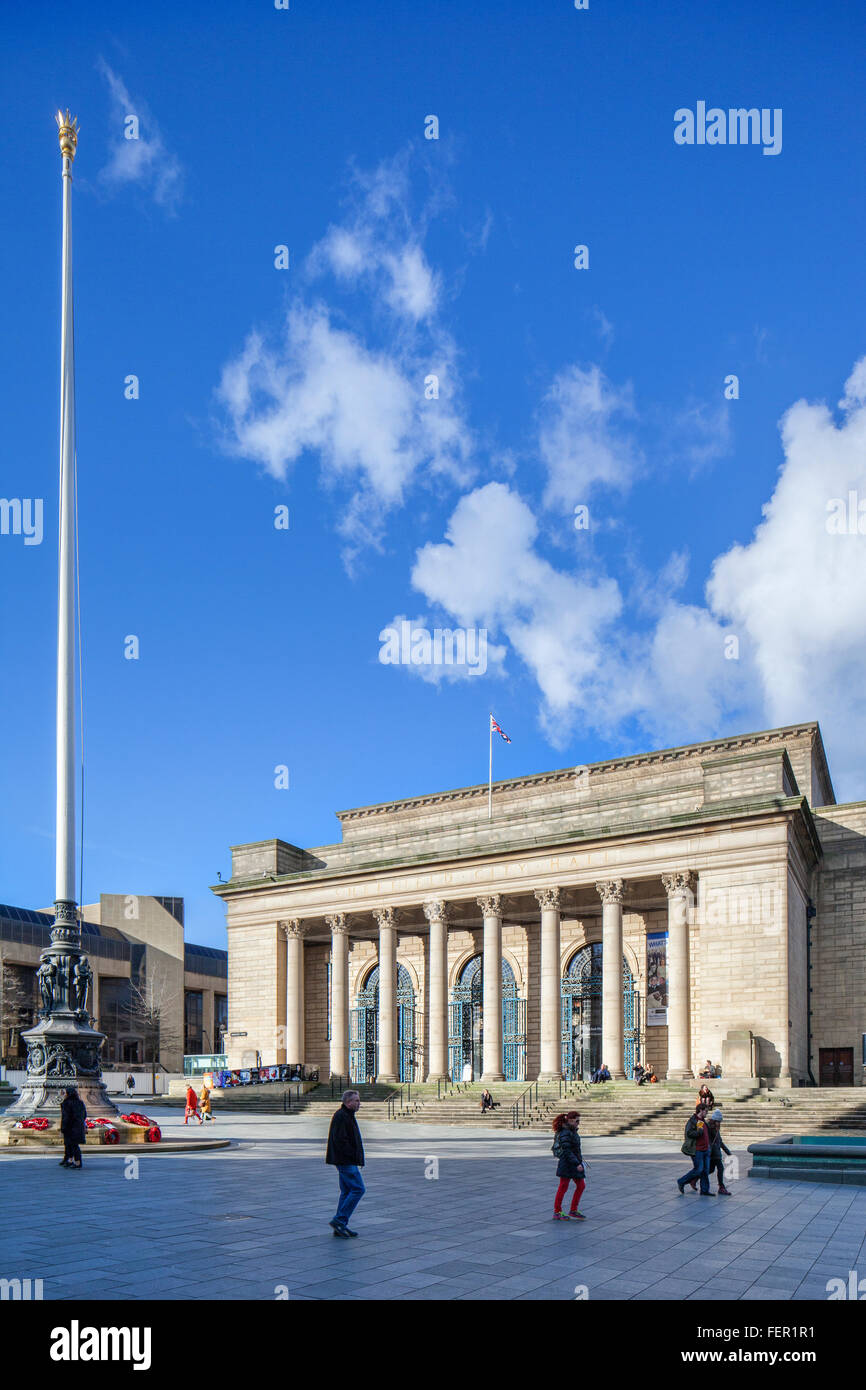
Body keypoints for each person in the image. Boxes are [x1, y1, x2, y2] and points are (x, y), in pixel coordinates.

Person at [326, 1089, 366, 1237]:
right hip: (345, 1161)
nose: (359, 1103)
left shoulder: (347, 1115)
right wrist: (354, 1157)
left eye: (358, 1100)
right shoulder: (342, 1116)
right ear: (348, 1102)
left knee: (347, 1191)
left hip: (345, 1160)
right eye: (356, 1100)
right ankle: (339, 1220)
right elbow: (341, 1141)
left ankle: (340, 1225)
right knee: (358, 1189)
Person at [551, 1111, 587, 1220]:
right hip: (567, 1163)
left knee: (581, 1185)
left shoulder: (572, 1131)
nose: (578, 1123)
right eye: (577, 1121)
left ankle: (573, 1210)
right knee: (563, 1186)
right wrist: (577, 1163)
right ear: (570, 1120)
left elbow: (575, 1149)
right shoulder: (565, 1132)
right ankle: (557, 1211)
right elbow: (567, 1150)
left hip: (574, 1162)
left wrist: (580, 1161)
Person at [677, 1104, 711, 1195]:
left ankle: (704, 1190)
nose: (707, 1113)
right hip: (697, 1149)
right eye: (706, 1111)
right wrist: (699, 1132)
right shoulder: (692, 1121)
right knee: (698, 1169)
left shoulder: (703, 1121)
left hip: (706, 1149)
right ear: (701, 1110)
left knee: (705, 1171)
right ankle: (681, 1181)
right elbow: (689, 1133)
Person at [59, 1085, 87, 1169]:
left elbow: (65, 1117)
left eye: (65, 1093)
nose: (64, 1095)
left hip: (69, 1127)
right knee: (74, 1145)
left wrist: (63, 1128)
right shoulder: (80, 1102)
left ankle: (76, 1162)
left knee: (70, 1145)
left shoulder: (66, 1103)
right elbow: (84, 1115)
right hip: (78, 1126)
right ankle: (73, 1161)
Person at [706, 1107, 732, 1195]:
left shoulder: (716, 1128)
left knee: (711, 1170)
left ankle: (694, 1179)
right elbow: (710, 1142)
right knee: (718, 1168)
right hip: (712, 1153)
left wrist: (728, 1152)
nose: (720, 1123)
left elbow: (720, 1141)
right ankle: (721, 1187)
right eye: (719, 1121)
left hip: (716, 1153)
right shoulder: (709, 1128)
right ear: (714, 1120)